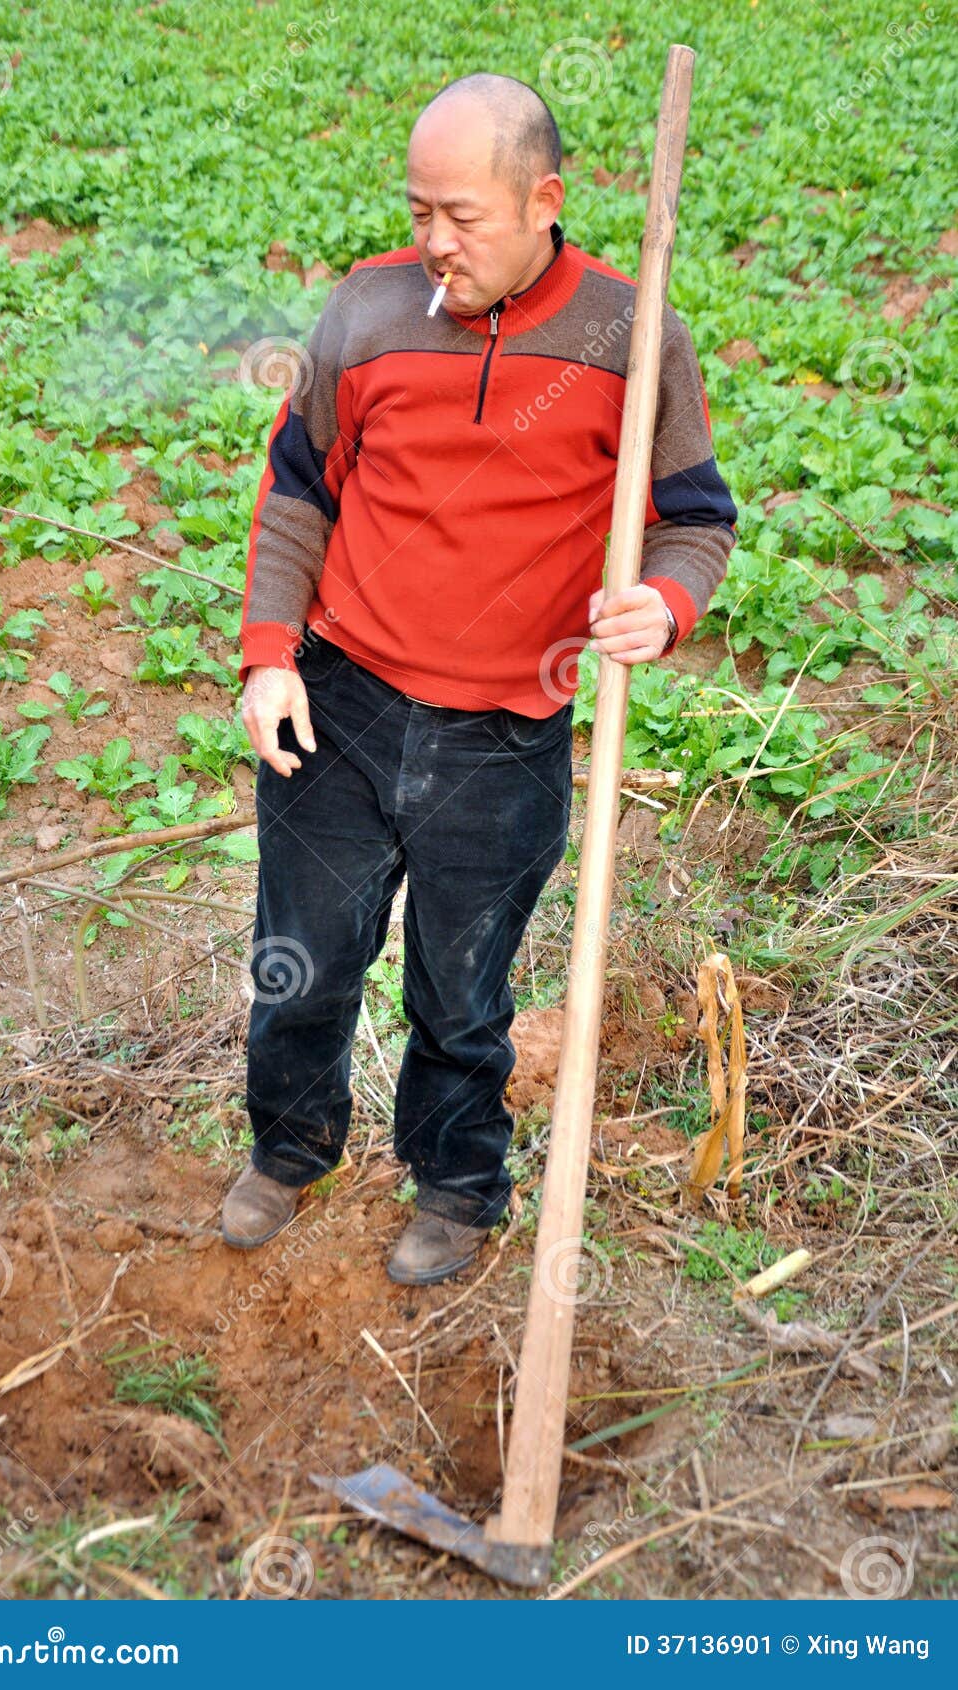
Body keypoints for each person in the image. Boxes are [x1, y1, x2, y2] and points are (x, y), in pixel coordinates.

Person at [223, 72, 737, 1284]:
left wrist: (660, 605)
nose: (434, 244)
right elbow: (296, 490)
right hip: (342, 703)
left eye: (463, 216)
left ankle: (456, 1181)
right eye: (418, 213)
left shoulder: (631, 329)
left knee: (463, 987)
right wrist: (267, 654)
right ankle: (289, 1149)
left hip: (506, 728)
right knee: (302, 955)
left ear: (543, 200)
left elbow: (695, 519)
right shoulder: (366, 310)